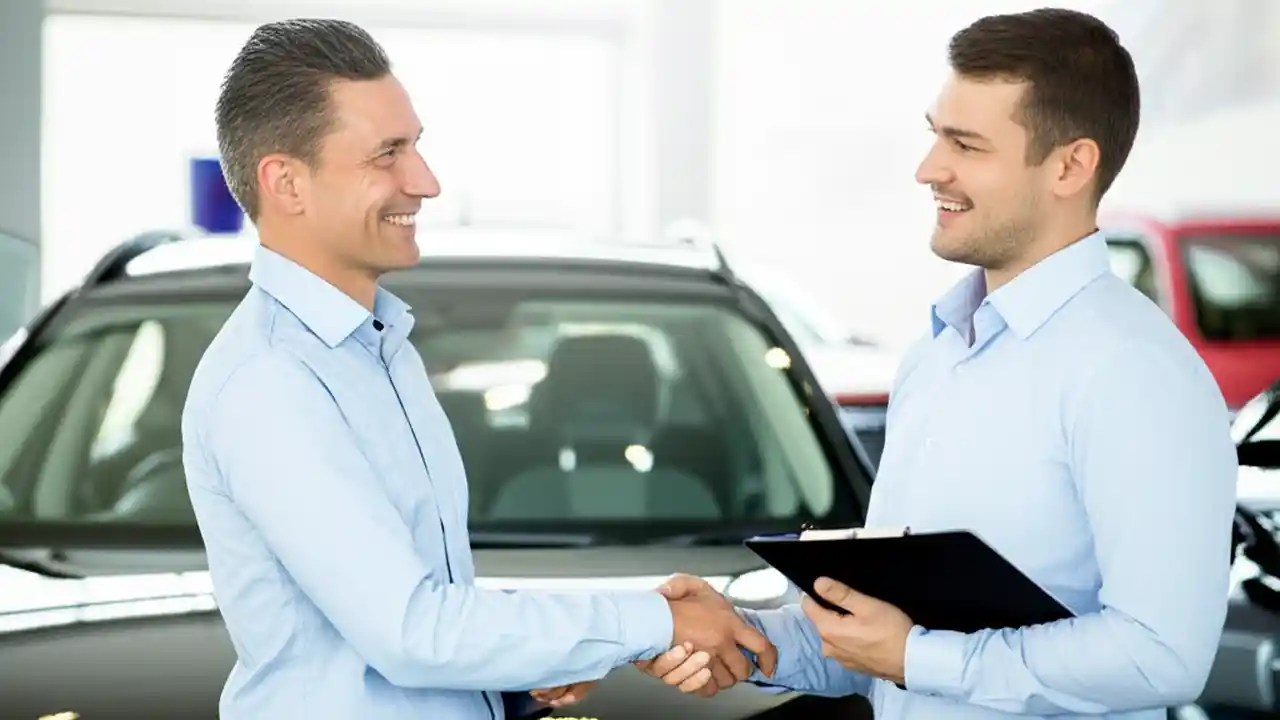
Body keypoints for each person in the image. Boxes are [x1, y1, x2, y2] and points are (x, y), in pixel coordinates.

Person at [638, 8, 1238, 718]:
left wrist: (914, 655)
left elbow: (1160, 656)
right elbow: (882, 646)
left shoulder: (1134, 373)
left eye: (967, 144)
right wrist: (746, 640)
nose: (929, 169)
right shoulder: (937, 354)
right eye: (935, 134)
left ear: (1071, 165)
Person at [180, 18, 774, 720]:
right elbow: (412, 632)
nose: (424, 182)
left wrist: (520, 670)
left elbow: (410, 633)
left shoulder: (376, 348)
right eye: (387, 155)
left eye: (416, 148)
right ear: (288, 183)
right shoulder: (271, 382)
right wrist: (657, 621)